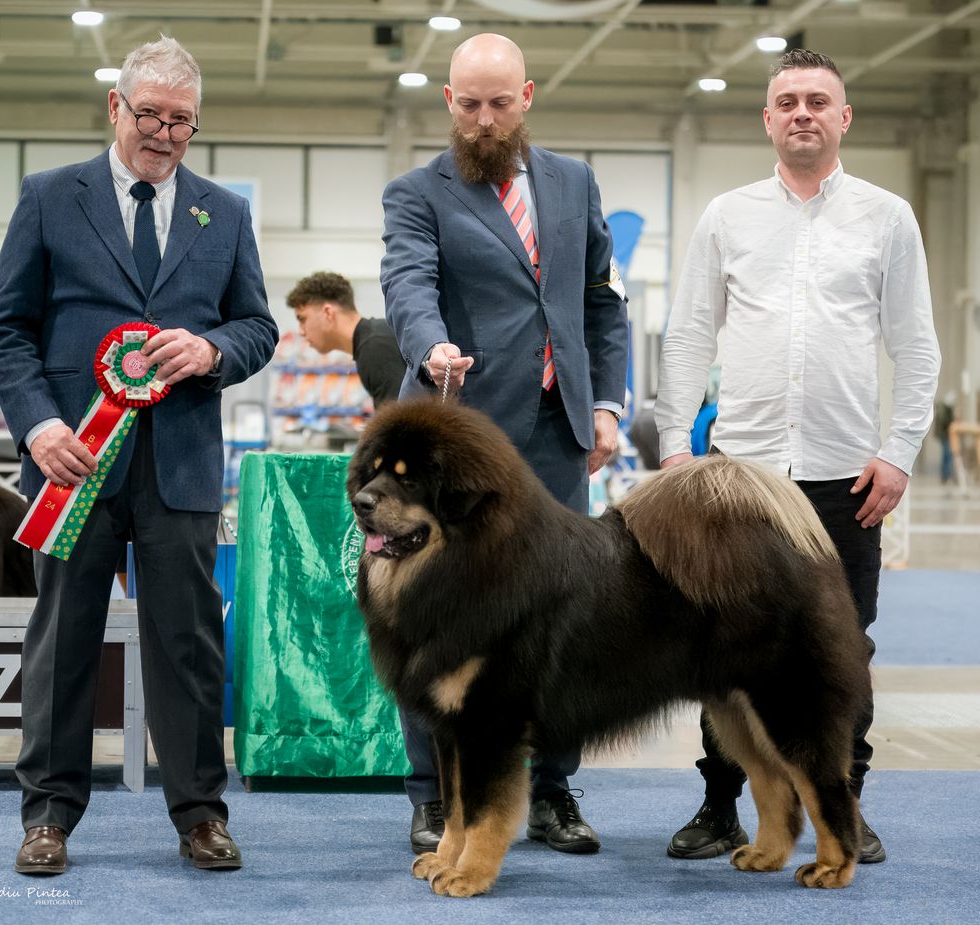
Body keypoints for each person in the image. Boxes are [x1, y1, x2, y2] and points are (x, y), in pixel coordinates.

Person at [0, 36, 279, 875]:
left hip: (180, 463)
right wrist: (38, 427)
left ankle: (200, 815)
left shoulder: (222, 212)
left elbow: (257, 326)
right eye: (149, 114)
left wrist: (215, 350)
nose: (164, 133)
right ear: (114, 106)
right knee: (62, 638)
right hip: (71, 460)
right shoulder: (48, 198)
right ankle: (47, 814)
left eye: (181, 120)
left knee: (188, 643)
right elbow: (7, 332)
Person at [654, 48, 941, 866]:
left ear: (844, 118)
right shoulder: (726, 216)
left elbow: (916, 347)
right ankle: (719, 806)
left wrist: (897, 452)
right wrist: (678, 446)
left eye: (819, 100)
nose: (803, 112)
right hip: (740, 480)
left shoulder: (888, 218)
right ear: (768, 119)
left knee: (843, 650)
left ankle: (841, 810)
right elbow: (687, 336)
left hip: (845, 479)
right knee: (721, 645)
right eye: (788, 101)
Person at [380, 32, 628, 856]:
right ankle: (433, 795)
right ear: (449, 103)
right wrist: (431, 346)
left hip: (560, 438)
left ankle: (552, 789)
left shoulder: (575, 181)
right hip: (462, 444)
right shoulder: (417, 191)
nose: (484, 120)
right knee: (439, 620)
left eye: (499, 103)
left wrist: (608, 405)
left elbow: (600, 300)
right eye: (468, 104)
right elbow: (408, 282)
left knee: (563, 619)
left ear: (527, 98)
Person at [286, 271, 405, 408]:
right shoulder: (372, 341)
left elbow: (400, 423)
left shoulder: (375, 347)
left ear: (328, 313)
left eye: (302, 319)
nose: (301, 332)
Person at [934, 391, 957, 485]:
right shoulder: (943, 410)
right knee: (947, 455)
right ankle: (945, 476)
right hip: (944, 436)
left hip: (948, 435)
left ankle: (947, 475)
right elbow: (944, 422)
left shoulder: (948, 409)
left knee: (948, 455)